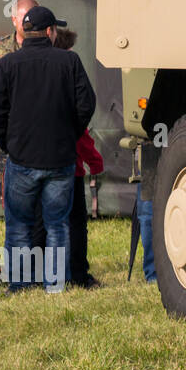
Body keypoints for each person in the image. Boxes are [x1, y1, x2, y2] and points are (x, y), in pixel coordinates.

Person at [0, 6, 96, 293]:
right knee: (58, 225)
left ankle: (20, 285)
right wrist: (67, 135)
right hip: (60, 161)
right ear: (49, 32)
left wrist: (8, 144)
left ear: (24, 31)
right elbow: (87, 104)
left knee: (19, 226)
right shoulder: (69, 61)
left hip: (21, 160)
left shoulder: (8, 64)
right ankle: (55, 285)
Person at [0, 0, 46, 251]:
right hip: (10, 145)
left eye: (32, 17)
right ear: (14, 19)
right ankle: (18, 265)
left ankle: (42, 261)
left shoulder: (50, 49)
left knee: (43, 208)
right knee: (14, 209)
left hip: (41, 142)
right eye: (23, 17)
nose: (27, 22)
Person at [52, 26, 103, 289]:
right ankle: (78, 275)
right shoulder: (69, 83)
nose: (73, 54)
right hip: (70, 171)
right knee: (74, 224)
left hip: (38, 165)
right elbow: (80, 134)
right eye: (69, 50)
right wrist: (95, 161)